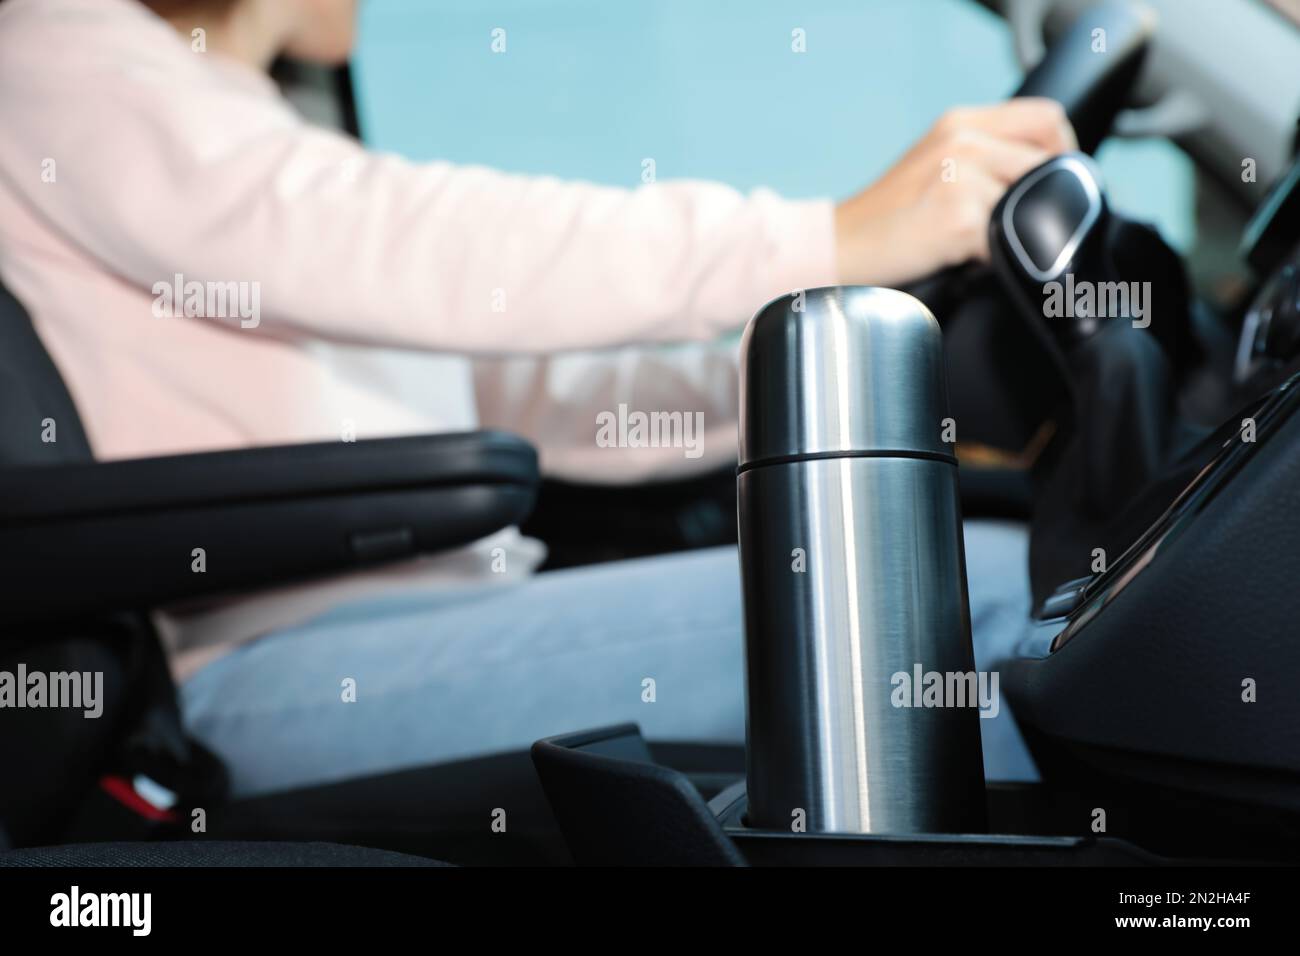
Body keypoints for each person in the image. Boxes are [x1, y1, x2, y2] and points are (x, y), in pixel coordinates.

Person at [0, 0, 1074, 795]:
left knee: (953, 572)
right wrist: (824, 235)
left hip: (424, 619)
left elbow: (537, 390)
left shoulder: (244, 118)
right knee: (962, 596)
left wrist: (835, 377)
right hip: (272, 666)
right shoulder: (60, 52)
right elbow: (397, 235)